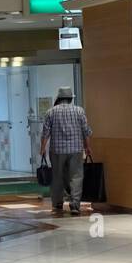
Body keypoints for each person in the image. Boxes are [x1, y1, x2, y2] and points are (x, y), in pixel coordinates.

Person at [40, 87, 93, 216]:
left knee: (57, 176)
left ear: (59, 98)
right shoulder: (79, 111)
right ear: (70, 98)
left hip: (57, 150)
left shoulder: (50, 112)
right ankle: (75, 205)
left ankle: (58, 203)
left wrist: (42, 149)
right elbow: (86, 131)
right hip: (75, 150)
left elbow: (45, 133)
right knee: (76, 177)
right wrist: (88, 147)